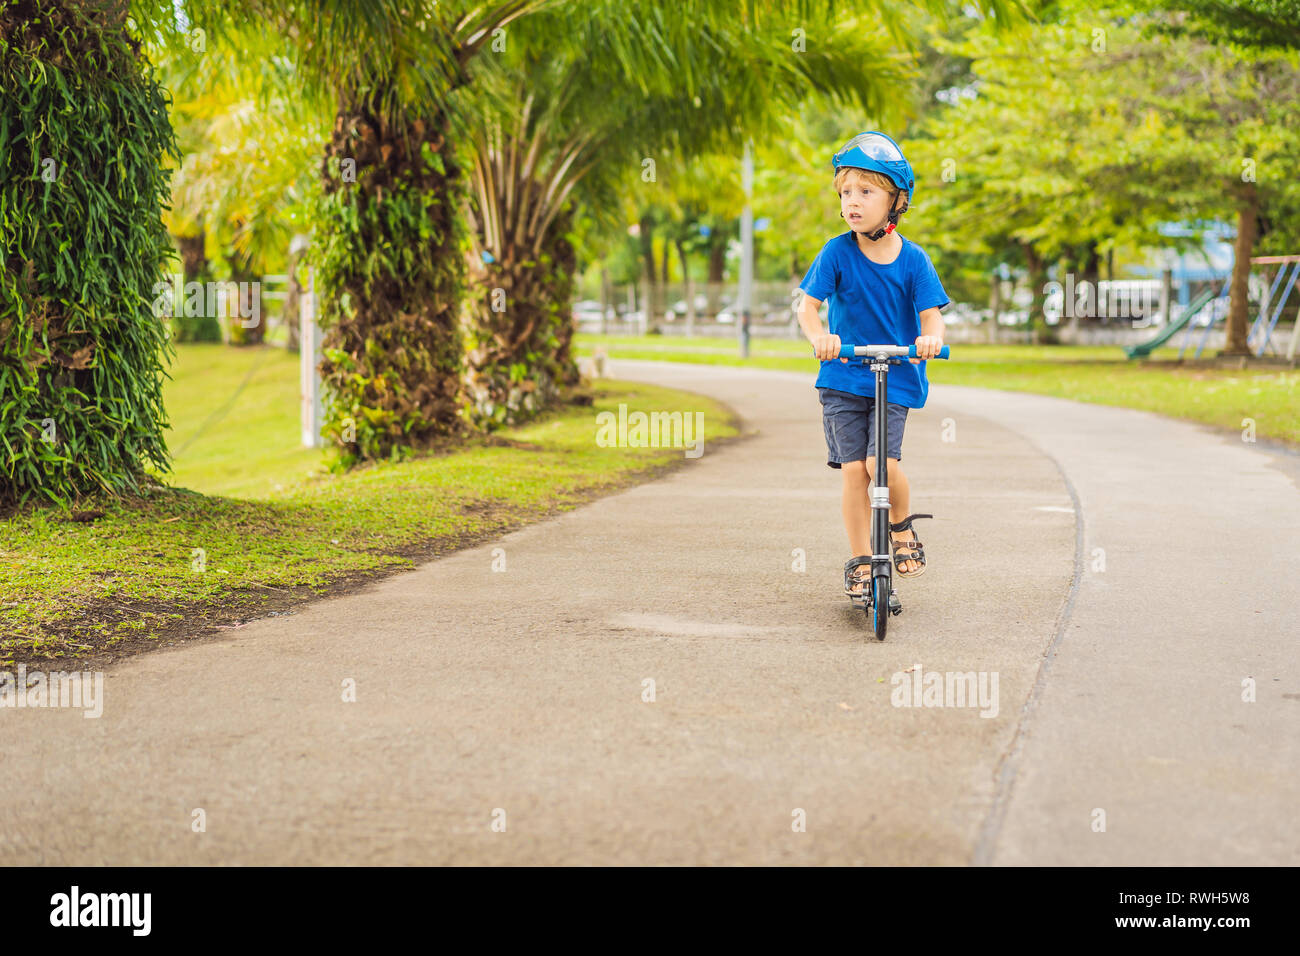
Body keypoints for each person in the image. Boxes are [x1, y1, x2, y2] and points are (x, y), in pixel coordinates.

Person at [795, 131, 948, 596]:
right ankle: (862, 559)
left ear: (896, 201)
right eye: (846, 193)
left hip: (894, 375)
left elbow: (932, 319)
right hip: (843, 376)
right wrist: (820, 337)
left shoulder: (915, 261)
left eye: (866, 191)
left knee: (882, 462)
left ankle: (900, 528)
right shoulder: (837, 251)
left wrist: (929, 341)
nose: (853, 202)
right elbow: (807, 307)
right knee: (853, 471)